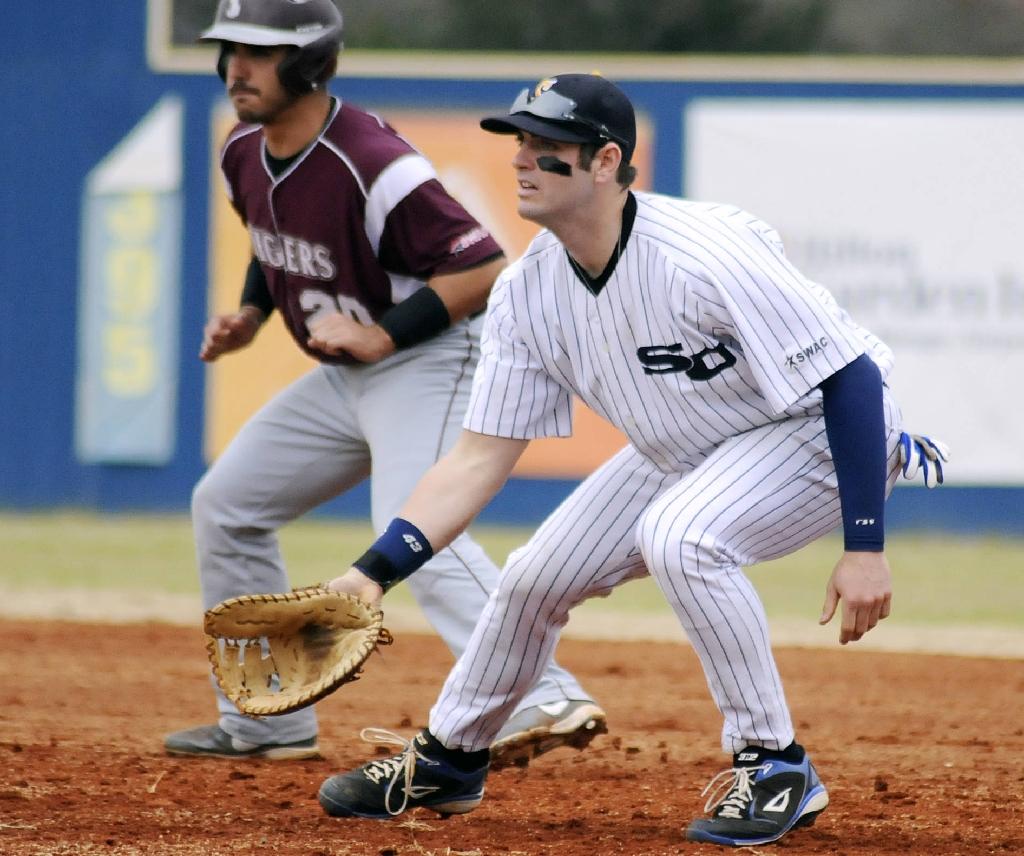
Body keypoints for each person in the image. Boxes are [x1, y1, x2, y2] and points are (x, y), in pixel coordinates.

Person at [313, 73, 948, 847]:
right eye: (519, 141)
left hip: (816, 430)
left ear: (606, 161)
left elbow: (851, 376)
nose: (521, 160)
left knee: (682, 536)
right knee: (533, 577)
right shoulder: (527, 294)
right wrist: (370, 575)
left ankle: (775, 764)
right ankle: (450, 758)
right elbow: (477, 459)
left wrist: (865, 546)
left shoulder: (702, 253)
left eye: (547, 146)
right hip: (689, 445)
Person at [163, 3, 606, 767]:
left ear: (308, 62)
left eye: (259, 52)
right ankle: (268, 724)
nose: (237, 68)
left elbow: (481, 267)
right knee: (226, 506)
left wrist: (382, 334)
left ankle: (547, 694)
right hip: (347, 379)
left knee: (417, 526)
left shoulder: (373, 160)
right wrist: (251, 313)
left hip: (428, 359)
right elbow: (273, 239)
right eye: (230, 50)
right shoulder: (241, 149)